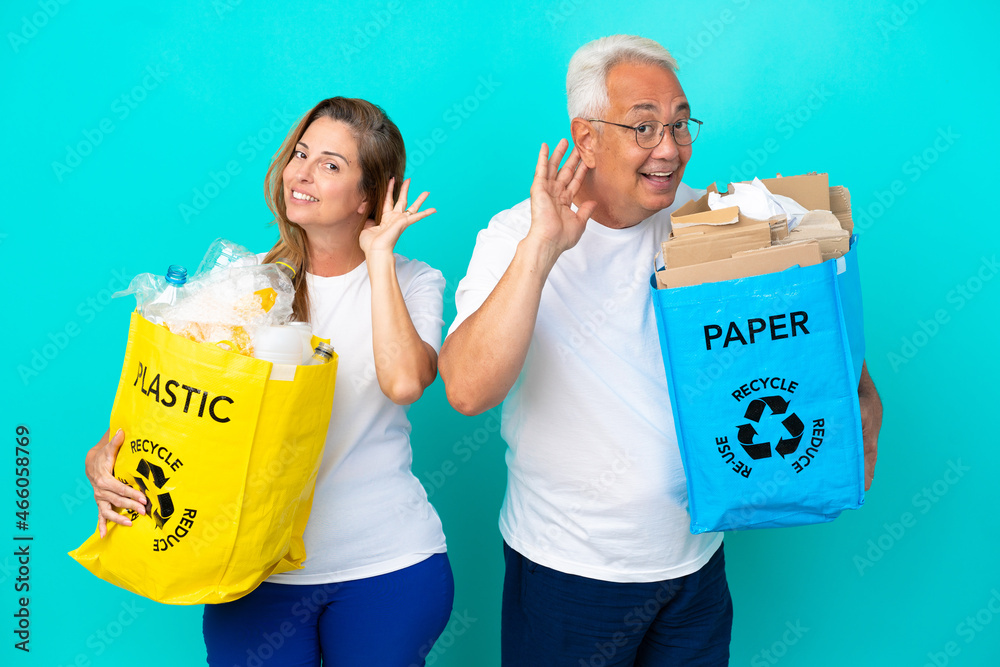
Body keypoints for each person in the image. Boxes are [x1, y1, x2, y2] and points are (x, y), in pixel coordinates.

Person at [439, 35, 883, 666]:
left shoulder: (708, 222)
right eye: (643, 127)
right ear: (586, 137)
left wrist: (859, 386)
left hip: (696, 561)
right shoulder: (518, 235)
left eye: (679, 124)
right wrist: (542, 252)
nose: (669, 149)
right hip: (572, 572)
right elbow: (467, 390)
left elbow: (801, 311)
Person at [85, 97, 454, 666]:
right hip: (255, 571)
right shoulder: (242, 285)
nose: (301, 174)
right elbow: (186, 415)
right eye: (300, 154)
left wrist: (380, 257)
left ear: (370, 195)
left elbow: (405, 382)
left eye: (331, 165)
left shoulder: (416, 281)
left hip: (388, 568)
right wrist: (109, 462)